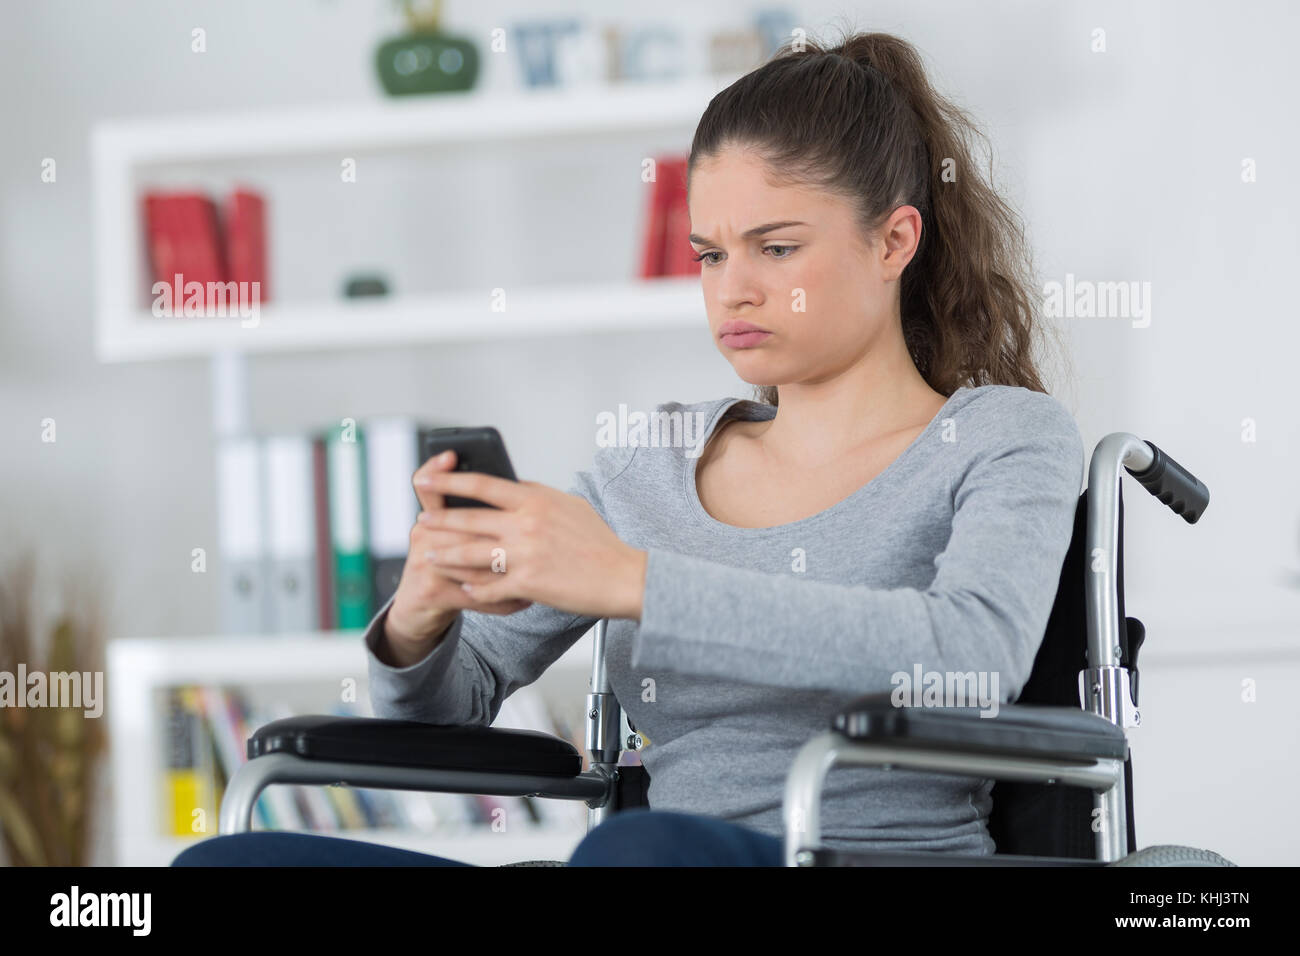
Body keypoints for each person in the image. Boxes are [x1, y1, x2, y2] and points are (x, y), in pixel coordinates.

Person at [173, 28, 1083, 868]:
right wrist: (420, 621)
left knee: (636, 855)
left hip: (858, 860)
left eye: (775, 248)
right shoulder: (652, 460)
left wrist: (634, 582)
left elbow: (971, 654)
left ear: (894, 241)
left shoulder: (1002, 435)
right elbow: (449, 708)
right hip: (646, 865)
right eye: (710, 256)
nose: (735, 292)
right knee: (229, 864)